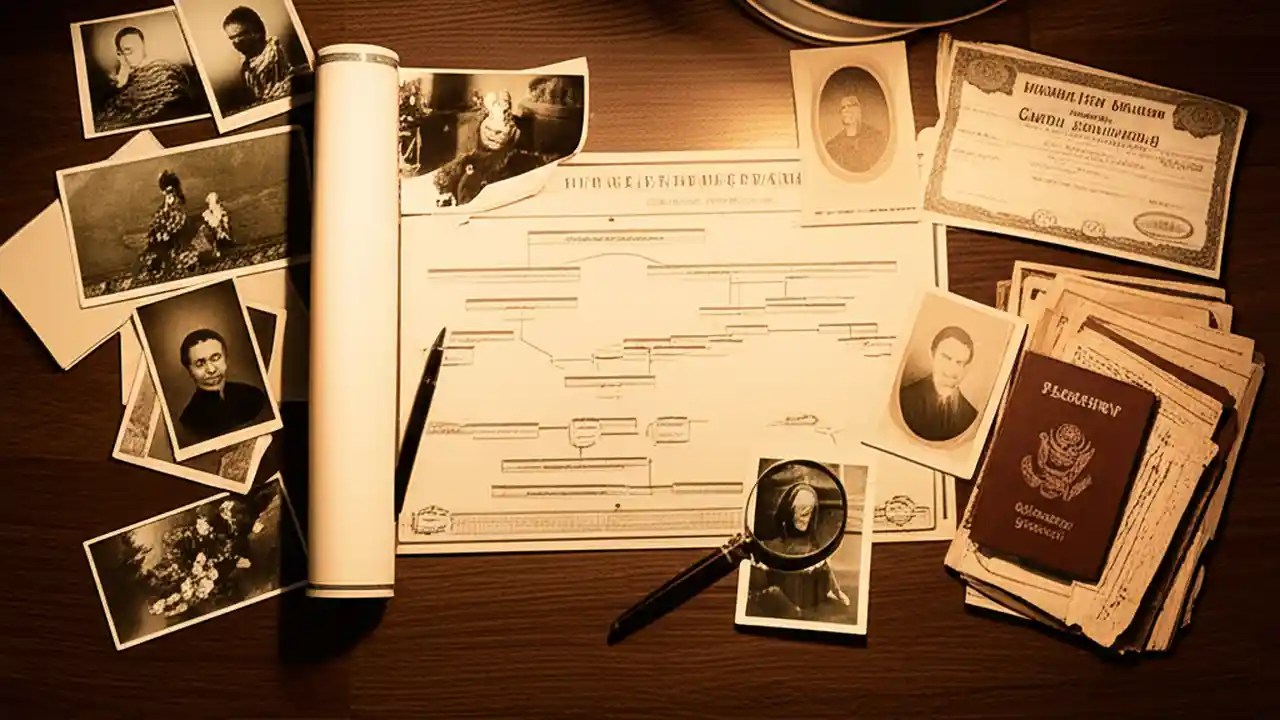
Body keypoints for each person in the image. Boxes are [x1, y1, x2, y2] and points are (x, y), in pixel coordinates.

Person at [748, 482, 850, 620]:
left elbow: (826, 570)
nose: (805, 515)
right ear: (789, 510)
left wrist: (837, 591)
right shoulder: (771, 547)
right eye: (801, 509)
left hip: (811, 608)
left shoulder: (815, 548)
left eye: (809, 511)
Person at [93, 26, 202, 132]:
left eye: (138, 47)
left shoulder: (163, 69)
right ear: (120, 54)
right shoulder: (121, 80)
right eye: (128, 50)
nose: (136, 53)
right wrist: (123, 74)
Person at [176, 328, 269, 444]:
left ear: (226, 359)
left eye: (215, 358)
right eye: (200, 364)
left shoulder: (253, 395)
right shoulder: (189, 421)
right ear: (189, 370)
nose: (211, 369)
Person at [898, 326, 979, 442]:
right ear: (932, 355)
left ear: (965, 368)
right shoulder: (905, 400)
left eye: (959, 362)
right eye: (946, 358)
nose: (951, 369)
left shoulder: (970, 416)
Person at [222, 6, 302, 107]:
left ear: (257, 33)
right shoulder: (246, 68)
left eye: (240, 35)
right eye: (232, 38)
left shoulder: (275, 55)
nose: (236, 42)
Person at [140, 170, 189, 277]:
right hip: (164, 230)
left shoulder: (177, 205)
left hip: (171, 233)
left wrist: (167, 231)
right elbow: (161, 216)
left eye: (168, 191)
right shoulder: (167, 204)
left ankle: (162, 265)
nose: (166, 194)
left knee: (165, 248)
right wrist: (158, 229)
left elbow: (178, 219)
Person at [823, 93, 886, 174]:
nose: (846, 110)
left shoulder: (876, 138)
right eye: (843, 108)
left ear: (859, 110)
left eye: (851, 105)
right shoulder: (832, 146)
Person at [192, 192, 232, 265]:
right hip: (215, 230)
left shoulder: (219, 212)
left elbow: (221, 222)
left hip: (218, 231)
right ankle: (214, 251)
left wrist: (222, 229)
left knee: (215, 239)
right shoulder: (210, 213)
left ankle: (216, 251)